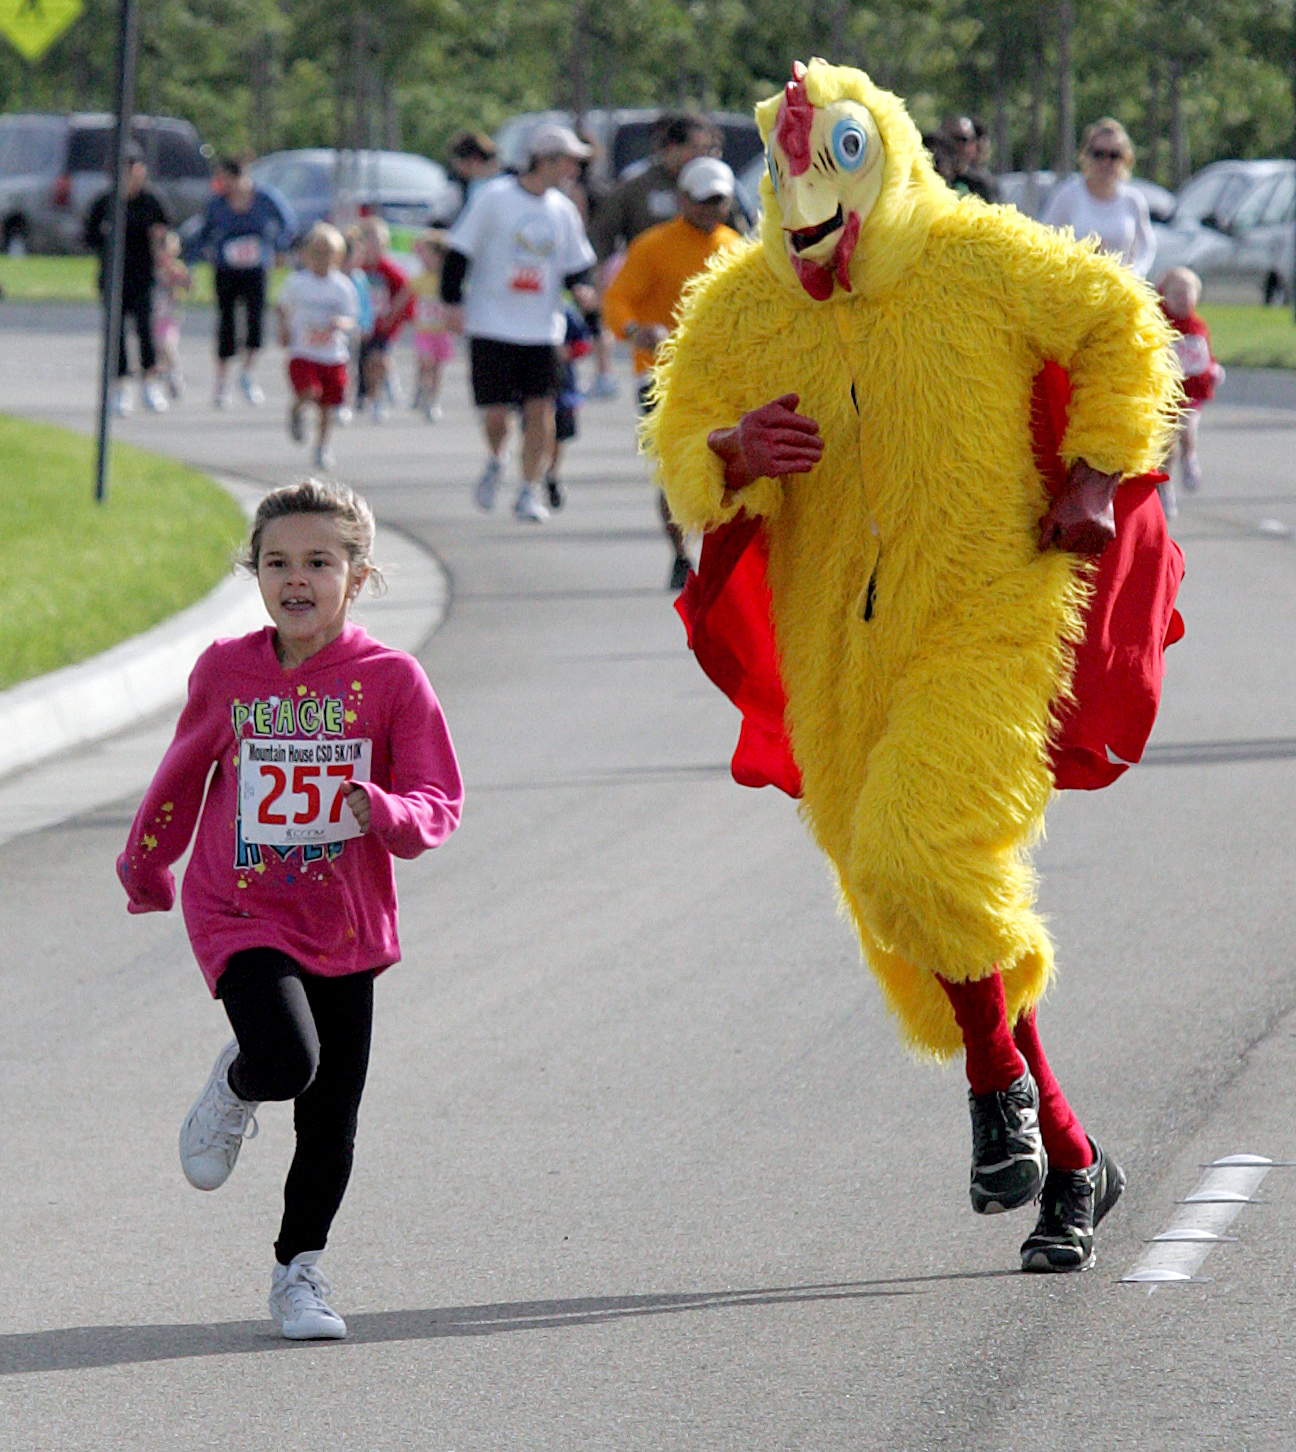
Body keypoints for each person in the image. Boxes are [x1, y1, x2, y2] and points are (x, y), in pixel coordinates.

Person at [647, 60, 1184, 1274]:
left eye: (834, 158)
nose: (810, 190)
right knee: (899, 892)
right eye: (790, 168)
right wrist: (727, 448)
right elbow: (678, 433)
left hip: (994, 609)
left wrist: (1096, 469)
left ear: (882, 155)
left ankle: (996, 1083)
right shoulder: (741, 301)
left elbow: (1119, 324)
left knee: (916, 849)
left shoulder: (981, 255)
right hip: (837, 633)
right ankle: (1070, 1156)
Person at [117, 479, 463, 1341]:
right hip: (240, 907)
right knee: (288, 1060)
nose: (296, 579)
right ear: (257, 574)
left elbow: (437, 801)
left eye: (319, 562)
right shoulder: (228, 670)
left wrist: (381, 810)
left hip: (345, 921)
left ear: (359, 574)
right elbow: (181, 775)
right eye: (278, 563)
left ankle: (298, 1272)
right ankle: (239, 1082)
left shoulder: (392, 680)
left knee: (330, 1117)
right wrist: (147, 866)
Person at [440, 121, 598, 523]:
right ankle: (496, 457)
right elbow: (459, 251)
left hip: (542, 328)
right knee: (495, 414)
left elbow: (578, 265)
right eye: (568, 161)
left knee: (541, 410)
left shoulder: (562, 209)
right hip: (492, 324)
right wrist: (452, 301)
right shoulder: (494, 198)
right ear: (544, 159)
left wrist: (581, 290)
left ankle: (528, 490)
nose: (574, 170)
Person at [601, 155, 743, 588]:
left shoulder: (737, 248)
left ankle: (719, 555)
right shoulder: (652, 246)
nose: (710, 209)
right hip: (659, 374)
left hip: (718, 379)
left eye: (718, 201)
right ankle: (681, 552)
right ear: (682, 199)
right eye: (702, 200)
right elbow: (617, 299)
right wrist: (633, 330)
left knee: (721, 468)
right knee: (673, 470)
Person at [587, 114, 725, 401]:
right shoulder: (638, 186)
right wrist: (598, 279)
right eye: (697, 148)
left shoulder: (719, 185)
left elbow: (743, 235)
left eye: (710, 149)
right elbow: (602, 233)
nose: (704, 156)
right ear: (671, 147)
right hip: (653, 296)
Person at [184, 156, 297, 407]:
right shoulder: (217, 205)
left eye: (226, 178)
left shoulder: (265, 198)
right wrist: (191, 264)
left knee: (255, 323)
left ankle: (247, 373)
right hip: (226, 270)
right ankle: (221, 382)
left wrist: (278, 247)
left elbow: (288, 223)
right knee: (226, 324)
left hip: (256, 269)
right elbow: (202, 234)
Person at [83, 145, 173, 415]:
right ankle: (120, 387)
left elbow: (168, 233)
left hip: (143, 277)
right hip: (113, 277)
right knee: (116, 334)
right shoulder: (105, 202)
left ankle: (150, 382)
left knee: (145, 331)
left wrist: (162, 244)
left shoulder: (151, 201)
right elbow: (89, 237)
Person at [277, 223, 360, 472]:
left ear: (338, 257)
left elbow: (351, 318)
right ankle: (297, 410)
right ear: (306, 255)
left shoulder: (342, 287)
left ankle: (322, 447)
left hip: (332, 354)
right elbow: (282, 308)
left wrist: (340, 323)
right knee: (309, 391)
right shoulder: (297, 283)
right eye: (316, 253)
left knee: (328, 406)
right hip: (304, 352)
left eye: (328, 254)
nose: (322, 259)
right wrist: (284, 330)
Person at [1041, 119, 1154, 277]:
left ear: (1125, 159)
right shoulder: (1068, 195)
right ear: (1086, 156)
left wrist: (1135, 273)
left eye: (1114, 155)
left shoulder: (1133, 200)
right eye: (1099, 154)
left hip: (1119, 289)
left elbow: (1146, 247)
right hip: (1075, 285)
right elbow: (1045, 238)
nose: (1106, 162)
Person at [1157, 264, 1224, 518]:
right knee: (1165, 447)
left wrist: (1214, 369)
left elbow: (1204, 355)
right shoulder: (1159, 322)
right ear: (1165, 295)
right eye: (1176, 294)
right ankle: (1164, 488)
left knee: (1188, 427)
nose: (1183, 300)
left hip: (1192, 393)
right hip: (1165, 396)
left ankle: (1190, 456)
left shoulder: (1198, 325)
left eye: (1189, 294)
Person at [351, 217, 414, 421]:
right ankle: (363, 394)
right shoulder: (357, 268)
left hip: (382, 325)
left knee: (377, 359)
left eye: (379, 241)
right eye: (370, 240)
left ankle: (378, 399)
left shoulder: (388, 268)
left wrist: (393, 313)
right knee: (361, 361)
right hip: (361, 325)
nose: (375, 246)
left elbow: (406, 289)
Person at [544, 304, 593, 509]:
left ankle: (552, 474)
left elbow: (584, 342)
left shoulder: (565, 313)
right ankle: (531, 474)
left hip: (563, 388)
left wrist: (568, 351)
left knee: (559, 436)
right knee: (536, 428)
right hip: (533, 386)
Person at [405, 229, 456, 421]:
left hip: (442, 333)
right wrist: (396, 314)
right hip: (424, 331)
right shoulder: (419, 279)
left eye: (428, 255)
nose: (424, 260)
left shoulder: (448, 281)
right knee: (426, 363)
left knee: (437, 368)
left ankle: (433, 399)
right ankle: (421, 390)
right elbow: (405, 297)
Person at [153, 230, 191, 400]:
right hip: (153, 314)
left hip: (168, 315)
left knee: (168, 344)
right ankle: (164, 374)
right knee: (157, 348)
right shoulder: (150, 269)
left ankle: (175, 375)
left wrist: (180, 279)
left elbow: (187, 286)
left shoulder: (176, 269)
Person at [443, 129, 500, 226]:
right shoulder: (469, 185)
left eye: (459, 163)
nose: (457, 168)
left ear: (474, 161)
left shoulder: (497, 186)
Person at [939, 115, 1000, 202]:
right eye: (950, 139)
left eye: (962, 139)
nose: (955, 145)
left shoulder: (982, 183)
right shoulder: (933, 178)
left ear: (973, 143)